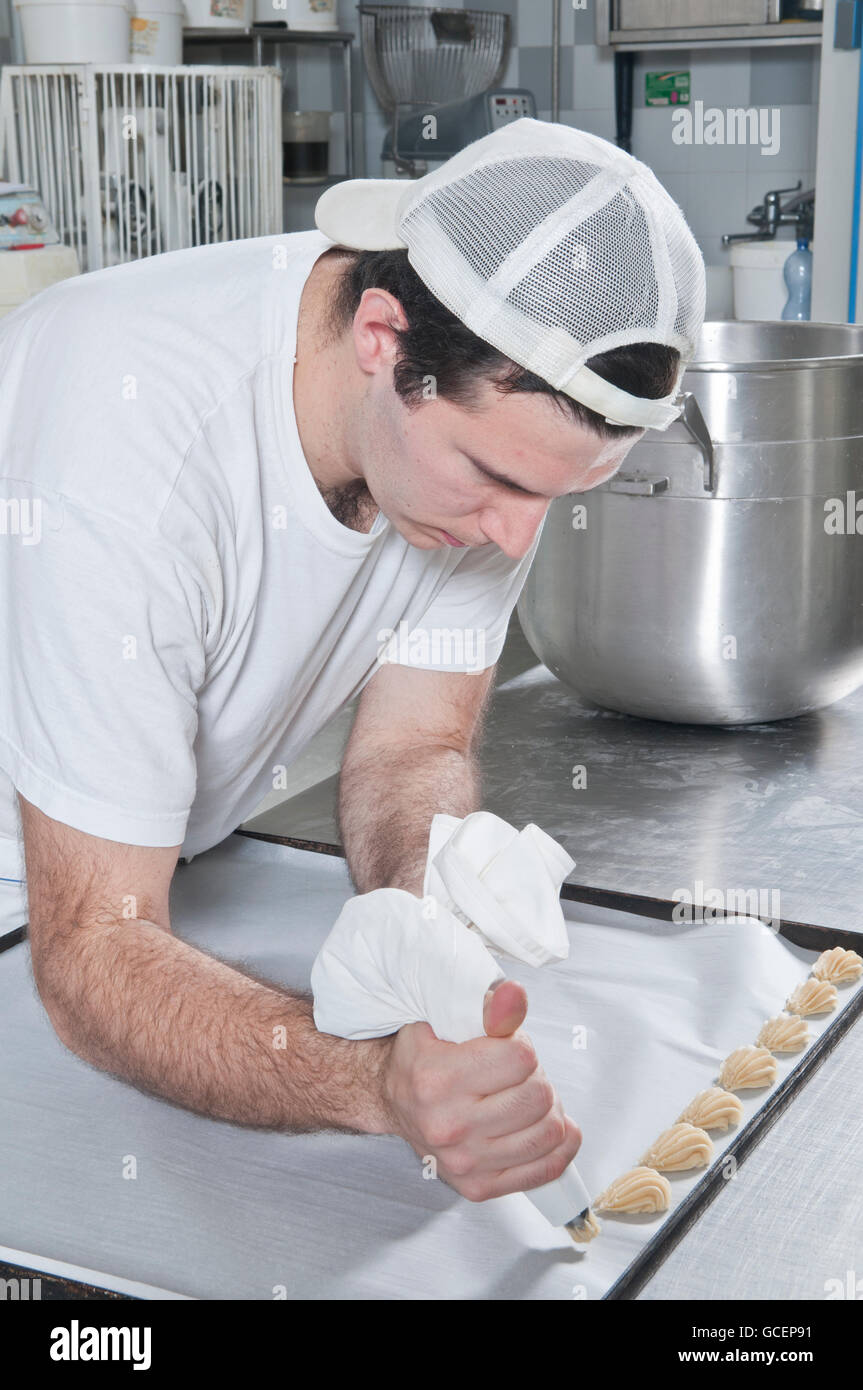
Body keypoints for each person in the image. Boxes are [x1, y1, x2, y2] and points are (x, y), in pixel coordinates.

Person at [0, 118, 704, 1206]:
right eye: (493, 479)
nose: (516, 537)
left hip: (141, 868)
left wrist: (429, 943)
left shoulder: (473, 423)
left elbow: (412, 744)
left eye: (550, 498)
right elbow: (95, 955)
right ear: (382, 336)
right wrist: (375, 1084)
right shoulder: (129, 447)